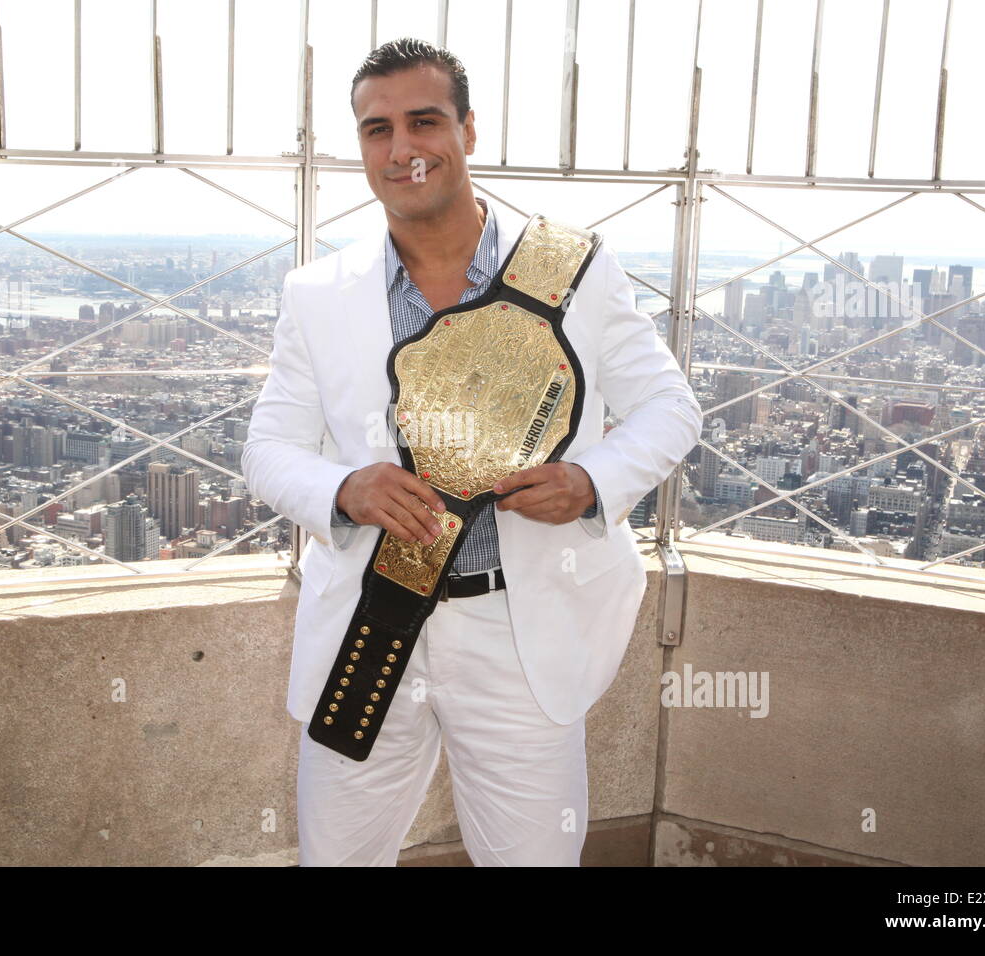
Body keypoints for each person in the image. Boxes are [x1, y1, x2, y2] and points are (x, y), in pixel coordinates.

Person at [241, 38, 702, 866]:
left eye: (425, 121)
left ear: (469, 131)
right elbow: (269, 448)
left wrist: (590, 481)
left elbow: (671, 407)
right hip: (371, 623)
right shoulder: (316, 293)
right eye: (377, 129)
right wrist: (346, 487)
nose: (402, 149)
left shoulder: (574, 266)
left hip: (519, 632)